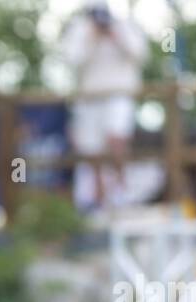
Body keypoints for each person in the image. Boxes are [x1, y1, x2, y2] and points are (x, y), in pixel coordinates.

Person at [60, 2, 149, 210]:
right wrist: (91, 38)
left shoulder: (124, 25)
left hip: (119, 94)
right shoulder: (80, 28)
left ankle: (121, 190)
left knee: (116, 138)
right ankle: (100, 199)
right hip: (89, 98)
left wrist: (116, 37)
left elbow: (140, 54)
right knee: (92, 150)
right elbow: (72, 60)